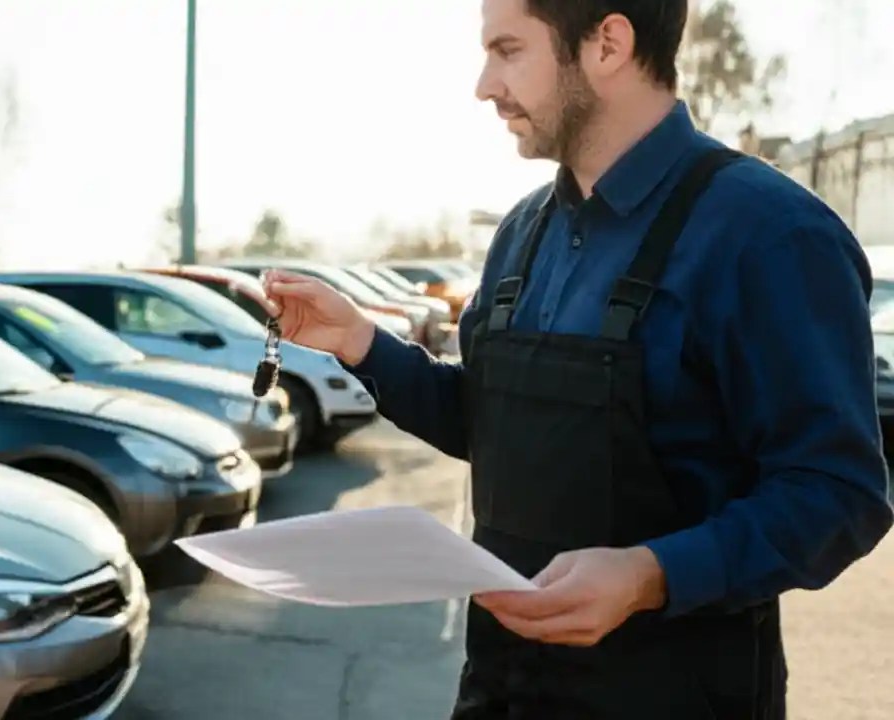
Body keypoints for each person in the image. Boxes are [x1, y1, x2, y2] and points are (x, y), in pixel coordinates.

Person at [261, 1, 894, 718]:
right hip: (500, 690)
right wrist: (362, 345)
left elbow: (838, 495)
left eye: (508, 51)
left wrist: (650, 575)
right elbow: (491, 427)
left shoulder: (770, 235)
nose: (484, 85)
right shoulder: (522, 233)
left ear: (608, 44)